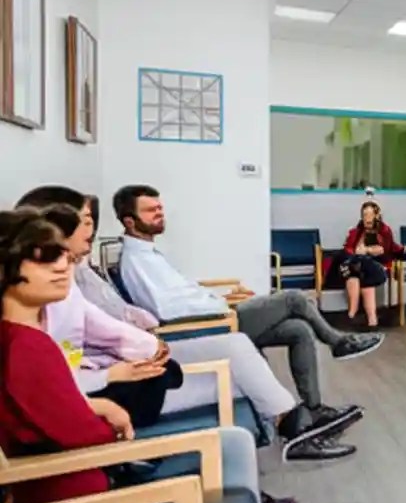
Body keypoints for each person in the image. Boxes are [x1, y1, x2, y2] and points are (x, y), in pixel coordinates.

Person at [18, 186, 359, 467]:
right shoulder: (49, 306)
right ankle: (331, 358)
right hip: (170, 344)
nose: (88, 232)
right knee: (292, 301)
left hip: (182, 331)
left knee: (287, 332)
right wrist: (117, 368)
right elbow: (162, 311)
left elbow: (113, 326)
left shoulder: (80, 280)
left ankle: (305, 418)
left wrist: (153, 342)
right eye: (83, 222)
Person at [112, 184, 383, 396]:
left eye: (160, 207)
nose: (159, 213)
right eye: (150, 210)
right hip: (213, 323)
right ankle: (338, 342)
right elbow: (167, 310)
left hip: (219, 311)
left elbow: (184, 295)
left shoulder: (149, 254)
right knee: (295, 298)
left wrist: (220, 298)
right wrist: (221, 306)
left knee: (299, 330)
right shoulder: (136, 263)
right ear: (130, 221)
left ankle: (313, 408)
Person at [335, 200, 403, 329]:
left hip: (379, 267)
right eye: (364, 215)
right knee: (355, 275)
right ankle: (359, 317)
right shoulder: (356, 232)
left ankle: (360, 316)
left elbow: (384, 251)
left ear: (377, 216)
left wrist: (367, 250)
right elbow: (348, 250)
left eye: (370, 215)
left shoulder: (383, 230)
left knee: (362, 269)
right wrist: (356, 253)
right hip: (360, 268)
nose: (367, 218)